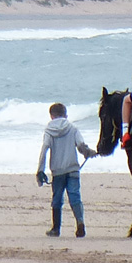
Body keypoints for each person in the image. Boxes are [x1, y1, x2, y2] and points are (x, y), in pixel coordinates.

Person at [36, 102, 97, 238]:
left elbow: (44, 149)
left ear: (51, 116)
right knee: (75, 196)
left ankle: (56, 229)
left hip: (58, 170)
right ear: (65, 114)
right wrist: (88, 152)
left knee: (57, 199)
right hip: (73, 168)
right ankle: (80, 223)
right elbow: (81, 146)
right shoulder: (72, 128)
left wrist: (40, 170)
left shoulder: (49, 131)